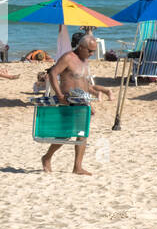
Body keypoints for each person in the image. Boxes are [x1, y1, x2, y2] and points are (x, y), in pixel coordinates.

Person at [41, 34, 111, 176]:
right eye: (90, 51)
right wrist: (59, 95)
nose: (91, 54)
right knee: (65, 135)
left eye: (93, 51)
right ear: (81, 47)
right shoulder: (68, 58)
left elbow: (84, 84)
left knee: (82, 134)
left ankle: (77, 167)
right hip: (67, 101)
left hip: (82, 102)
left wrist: (91, 100)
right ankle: (47, 157)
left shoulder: (84, 62)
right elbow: (53, 73)